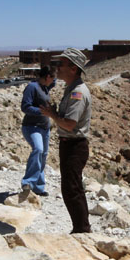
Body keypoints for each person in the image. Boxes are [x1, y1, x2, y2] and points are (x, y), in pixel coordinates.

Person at [41, 48, 92, 233]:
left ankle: (82, 230)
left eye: (61, 64)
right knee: (73, 187)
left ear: (73, 68)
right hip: (69, 144)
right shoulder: (70, 89)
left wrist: (51, 114)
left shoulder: (77, 92)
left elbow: (70, 124)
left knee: (72, 189)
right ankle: (81, 227)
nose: (57, 68)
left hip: (74, 145)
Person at [20, 65, 55, 196]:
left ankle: (39, 188)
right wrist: (42, 111)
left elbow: (54, 81)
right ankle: (28, 182)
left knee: (43, 155)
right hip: (32, 126)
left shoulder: (45, 87)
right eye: (52, 78)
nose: (54, 81)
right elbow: (25, 107)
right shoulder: (32, 87)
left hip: (45, 127)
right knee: (38, 149)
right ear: (47, 77)